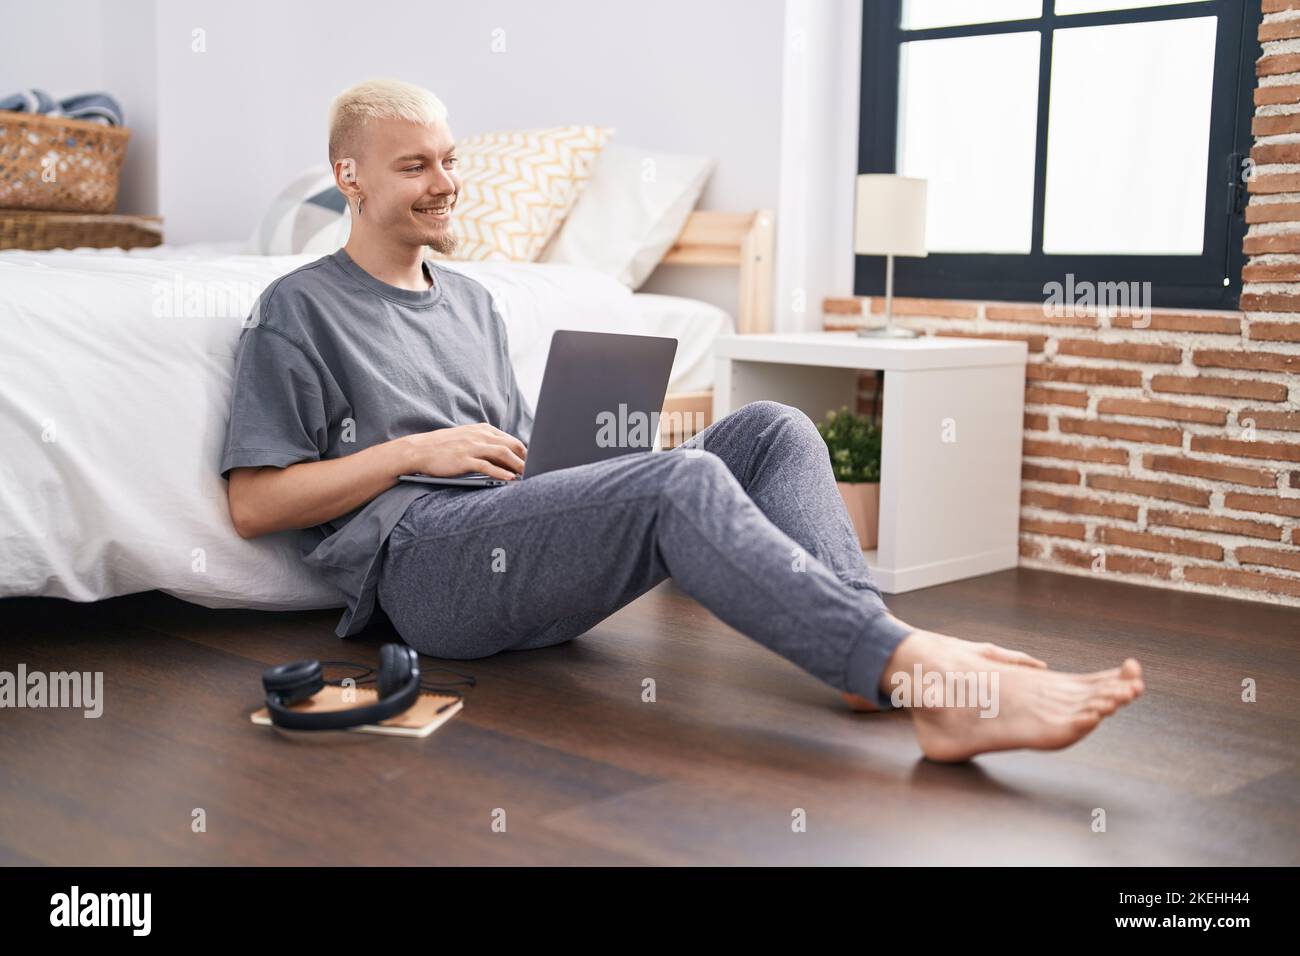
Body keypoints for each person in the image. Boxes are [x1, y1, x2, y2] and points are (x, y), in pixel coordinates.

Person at [221, 78, 1143, 763]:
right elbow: (257, 505)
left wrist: (600, 456)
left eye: (451, 159)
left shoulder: (473, 303)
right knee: (683, 481)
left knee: (774, 427)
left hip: (505, 528)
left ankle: (874, 653)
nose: (445, 180)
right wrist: (418, 450)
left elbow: (517, 453)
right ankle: (919, 671)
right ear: (350, 176)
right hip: (423, 571)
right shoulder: (297, 310)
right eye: (414, 164)